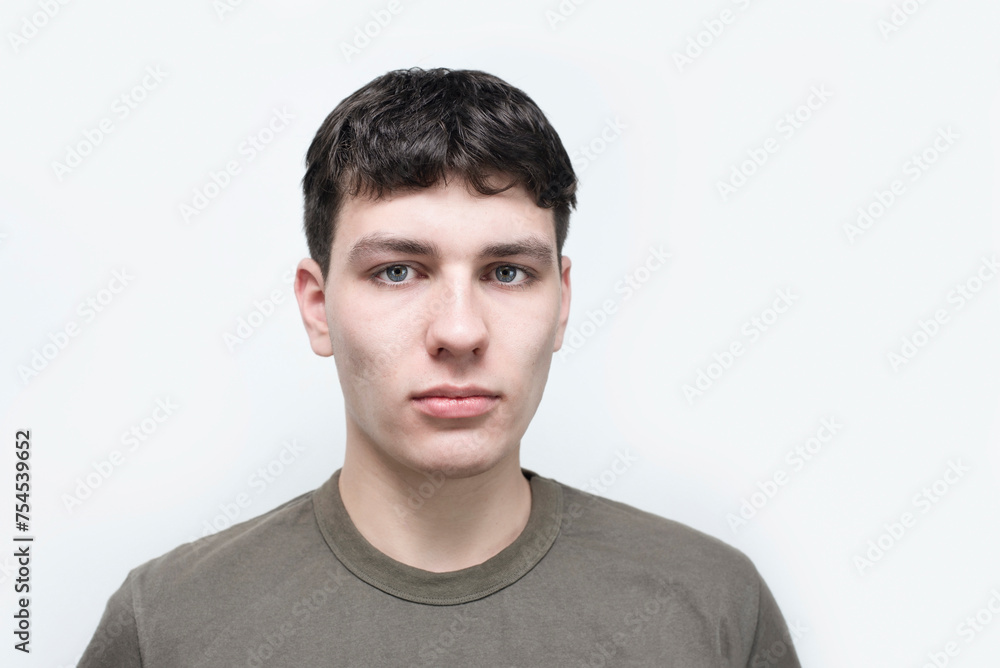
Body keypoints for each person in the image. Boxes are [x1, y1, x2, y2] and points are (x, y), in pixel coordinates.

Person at [79, 67, 801, 667]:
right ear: (316, 305)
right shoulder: (166, 623)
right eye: (398, 271)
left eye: (508, 272)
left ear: (562, 302)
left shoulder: (713, 607)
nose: (459, 331)